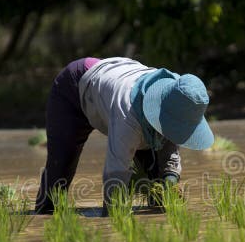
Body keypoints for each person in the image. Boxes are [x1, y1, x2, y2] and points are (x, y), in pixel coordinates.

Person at [34, 57, 214, 214]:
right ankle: (42, 214)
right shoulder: (127, 116)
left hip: (111, 80)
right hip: (74, 88)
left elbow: (171, 140)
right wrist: (112, 218)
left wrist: (170, 181)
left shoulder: (183, 96)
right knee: (58, 176)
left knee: (158, 191)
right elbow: (115, 173)